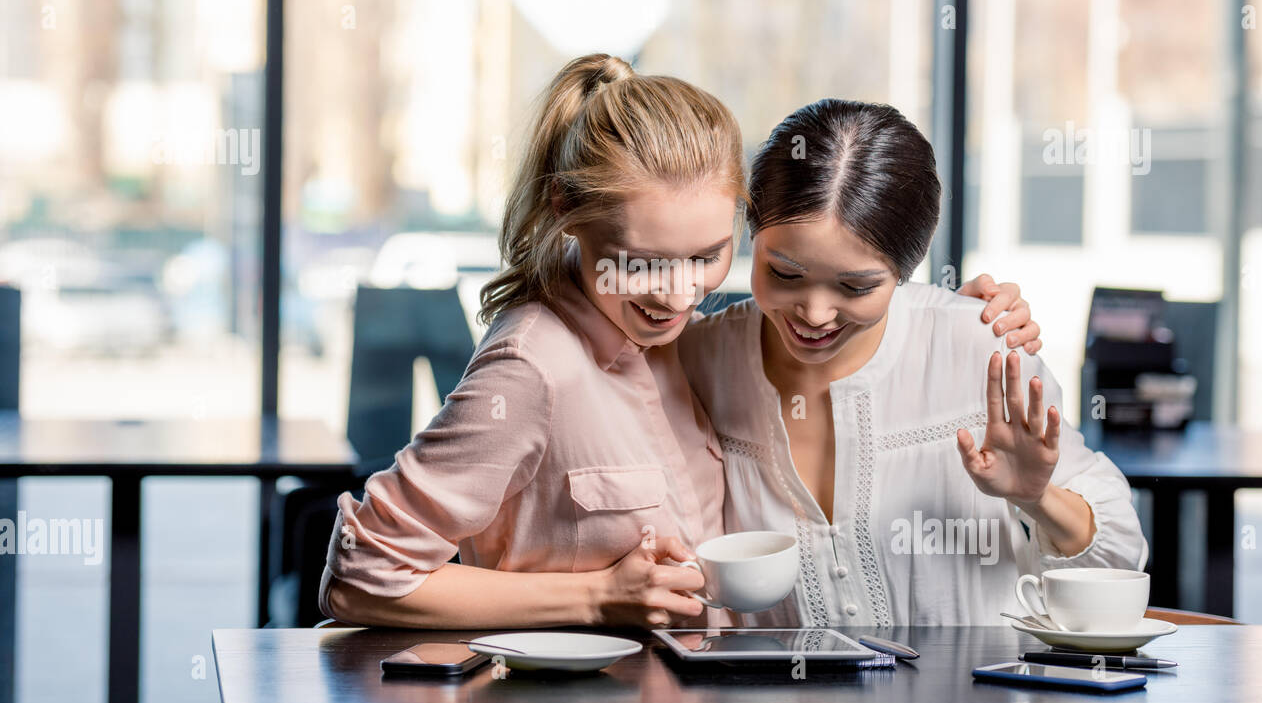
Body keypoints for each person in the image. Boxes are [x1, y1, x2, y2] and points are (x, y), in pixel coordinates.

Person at [320, 56, 1041, 629]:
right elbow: (360, 575)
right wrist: (595, 597)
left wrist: (950, 317)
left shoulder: (678, 341)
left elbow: (827, 287)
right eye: (640, 260)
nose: (675, 292)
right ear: (567, 209)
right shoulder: (531, 366)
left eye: (705, 255)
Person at [677, 99, 1148, 627]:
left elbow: (1119, 559)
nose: (814, 313)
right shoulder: (695, 359)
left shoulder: (980, 351)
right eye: (784, 274)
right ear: (751, 236)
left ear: (907, 268)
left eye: (856, 286)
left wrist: (1036, 498)